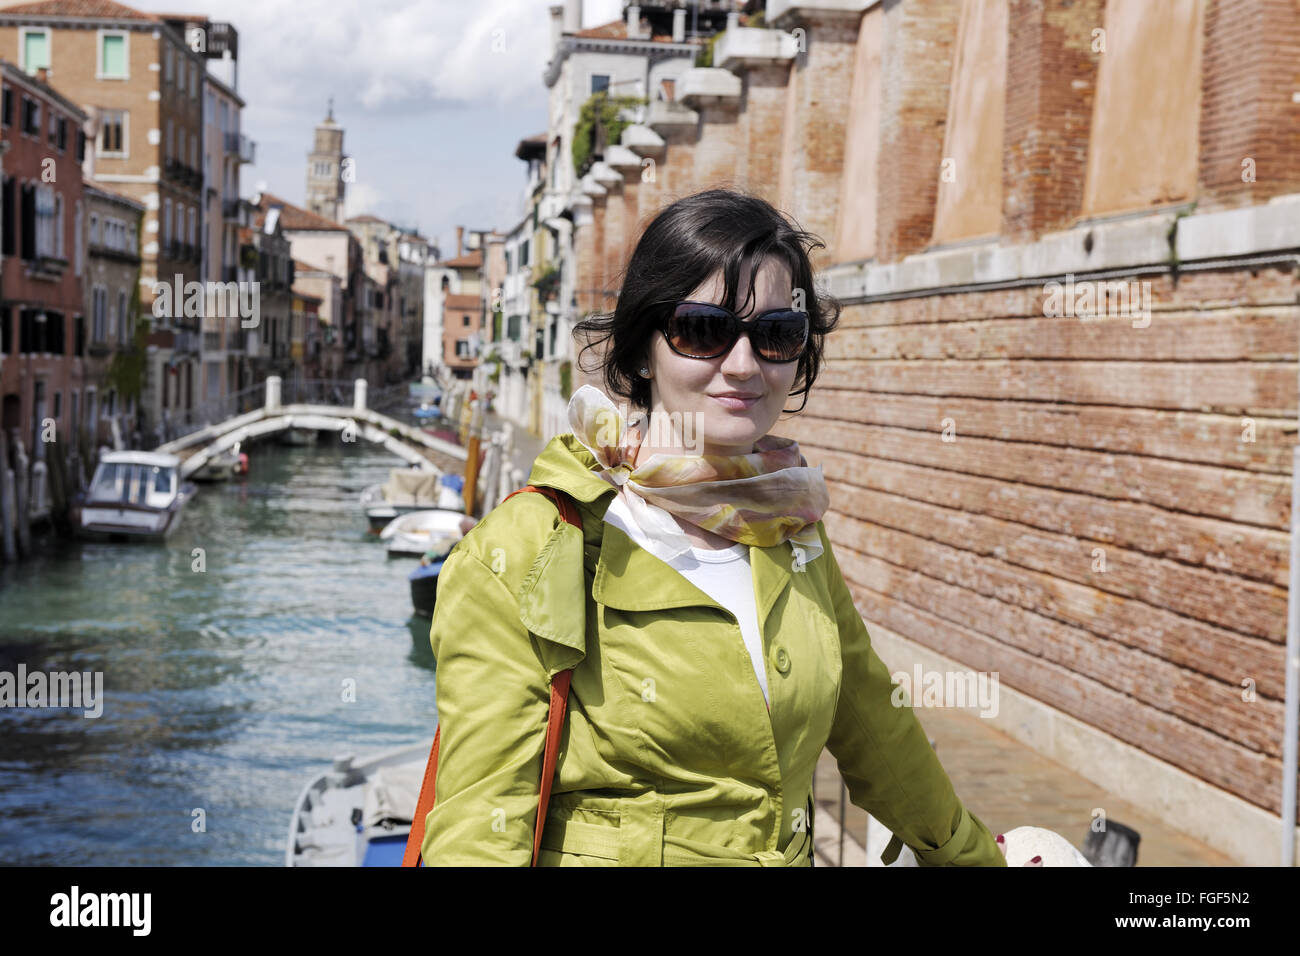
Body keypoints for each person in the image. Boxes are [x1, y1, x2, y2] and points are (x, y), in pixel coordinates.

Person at [421, 188, 1024, 866]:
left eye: (774, 335)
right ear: (643, 351)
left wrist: (976, 858)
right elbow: (481, 825)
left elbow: (875, 728)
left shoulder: (790, 528)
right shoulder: (527, 546)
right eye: (703, 330)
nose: (742, 365)